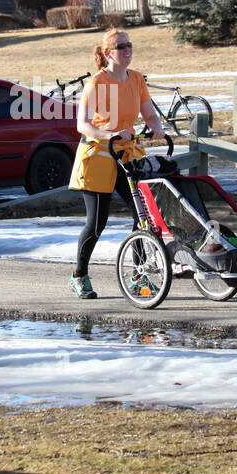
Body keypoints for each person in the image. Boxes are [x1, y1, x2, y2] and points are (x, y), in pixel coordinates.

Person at [67, 29, 165, 298]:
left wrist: (156, 127)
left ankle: (138, 275)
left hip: (127, 154)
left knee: (141, 216)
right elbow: (82, 124)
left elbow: (149, 113)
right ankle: (80, 275)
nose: (128, 50)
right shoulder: (96, 83)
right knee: (97, 221)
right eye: (122, 46)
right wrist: (110, 134)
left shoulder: (136, 79)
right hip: (98, 154)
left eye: (130, 45)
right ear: (109, 53)